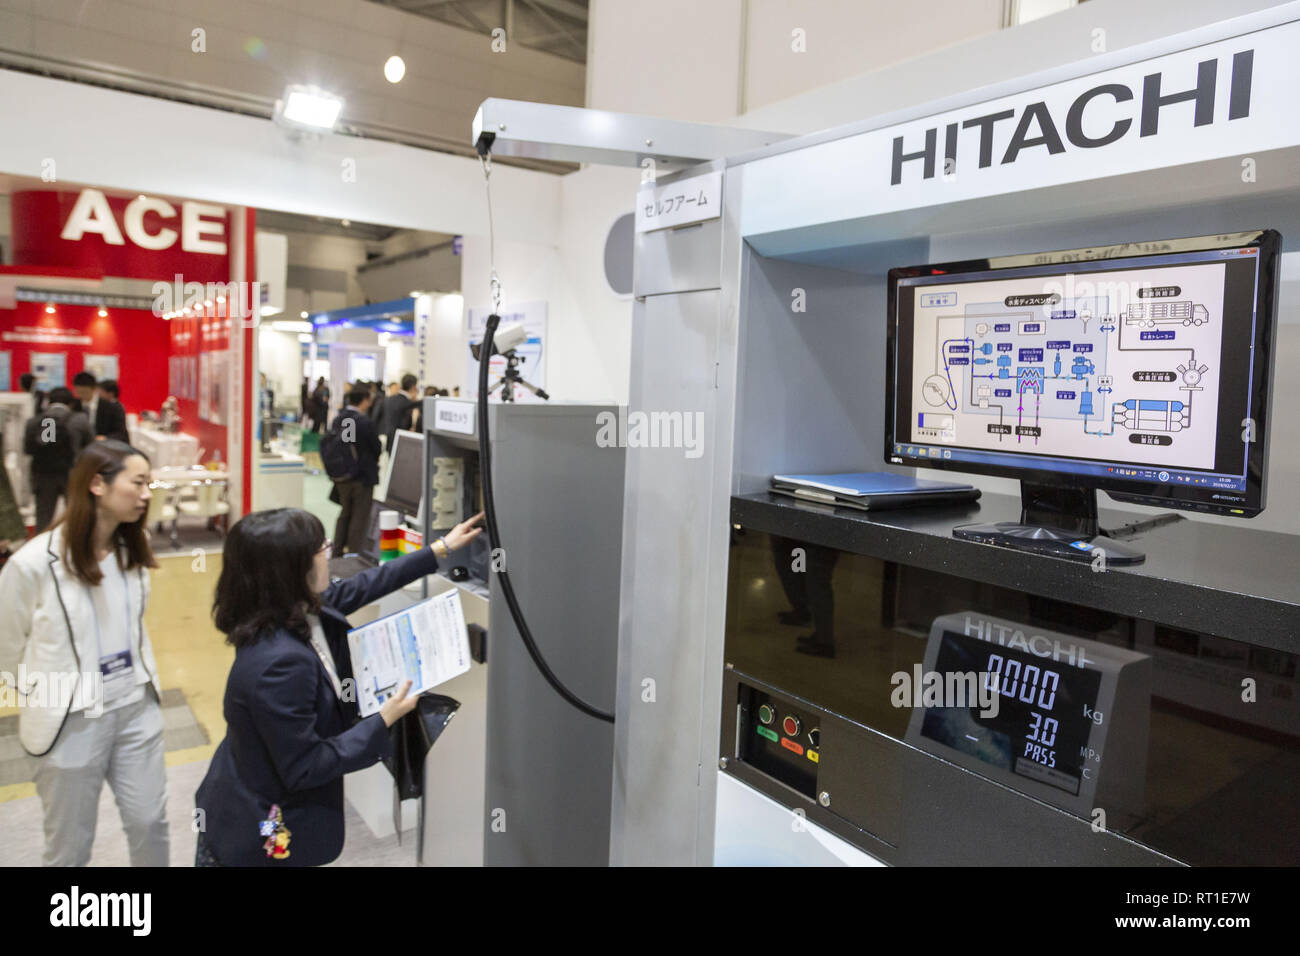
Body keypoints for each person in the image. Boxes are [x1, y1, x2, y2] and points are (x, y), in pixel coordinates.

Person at [194, 506, 485, 866]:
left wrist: (440, 548)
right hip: (258, 834)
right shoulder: (279, 664)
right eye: (322, 549)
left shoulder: (285, 607)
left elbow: (364, 586)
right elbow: (306, 766)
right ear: (293, 567)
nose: (329, 555)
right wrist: (383, 718)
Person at [0, 441, 168, 866]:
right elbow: (6, 647)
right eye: (138, 482)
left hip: (135, 710)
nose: (147, 493)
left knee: (150, 824)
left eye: (149, 483)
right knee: (70, 847)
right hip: (71, 721)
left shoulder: (132, 549)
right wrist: (47, 692)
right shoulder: (32, 564)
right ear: (97, 484)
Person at [24, 386, 93, 532]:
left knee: (43, 519)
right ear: (71, 403)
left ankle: (41, 551)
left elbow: (27, 450)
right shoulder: (80, 420)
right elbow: (91, 449)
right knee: (76, 518)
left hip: (42, 475)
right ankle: (76, 551)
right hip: (72, 474)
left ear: (49, 401)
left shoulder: (33, 421)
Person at [330, 387, 382, 558]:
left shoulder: (339, 418)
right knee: (359, 516)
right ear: (365, 400)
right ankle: (353, 554)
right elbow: (375, 448)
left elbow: (345, 446)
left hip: (342, 476)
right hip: (361, 477)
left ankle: (337, 550)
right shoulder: (361, 421)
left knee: (345, 513)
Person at [382, 374, 420, 451]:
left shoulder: (389, 399)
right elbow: (406, 425)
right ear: (413, 386)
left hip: (389, 440)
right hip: (402, 444)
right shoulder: (408, 403)